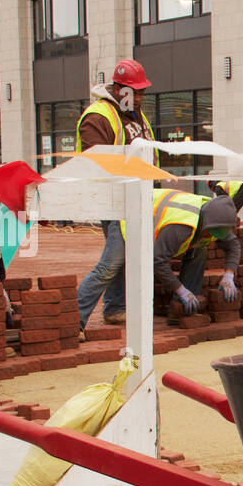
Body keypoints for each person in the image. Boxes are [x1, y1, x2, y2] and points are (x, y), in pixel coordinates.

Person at [74, 59, 159, 329]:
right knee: (110, 264)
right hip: (113, 200)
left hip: (136, 199)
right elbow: (96, 160)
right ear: (120, 89)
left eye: (142, 92)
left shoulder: (135, 115)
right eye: (135, 92)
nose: (140, 98)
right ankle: (72, 319)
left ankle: (115, 308)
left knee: (122, 260)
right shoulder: (98, 116)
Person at [143, 189, 242, 323]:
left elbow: (233, 245)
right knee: (114, 266)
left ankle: (181, 311)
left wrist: (229, 276)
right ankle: (116, 309)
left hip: (162, 233)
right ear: (205, 223)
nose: (211, 236)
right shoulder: (182, 226)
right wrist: (180, 290)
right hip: (128, 218)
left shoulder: (216, 218)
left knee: (199, 250)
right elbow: (158, 260)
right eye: (210, 232)